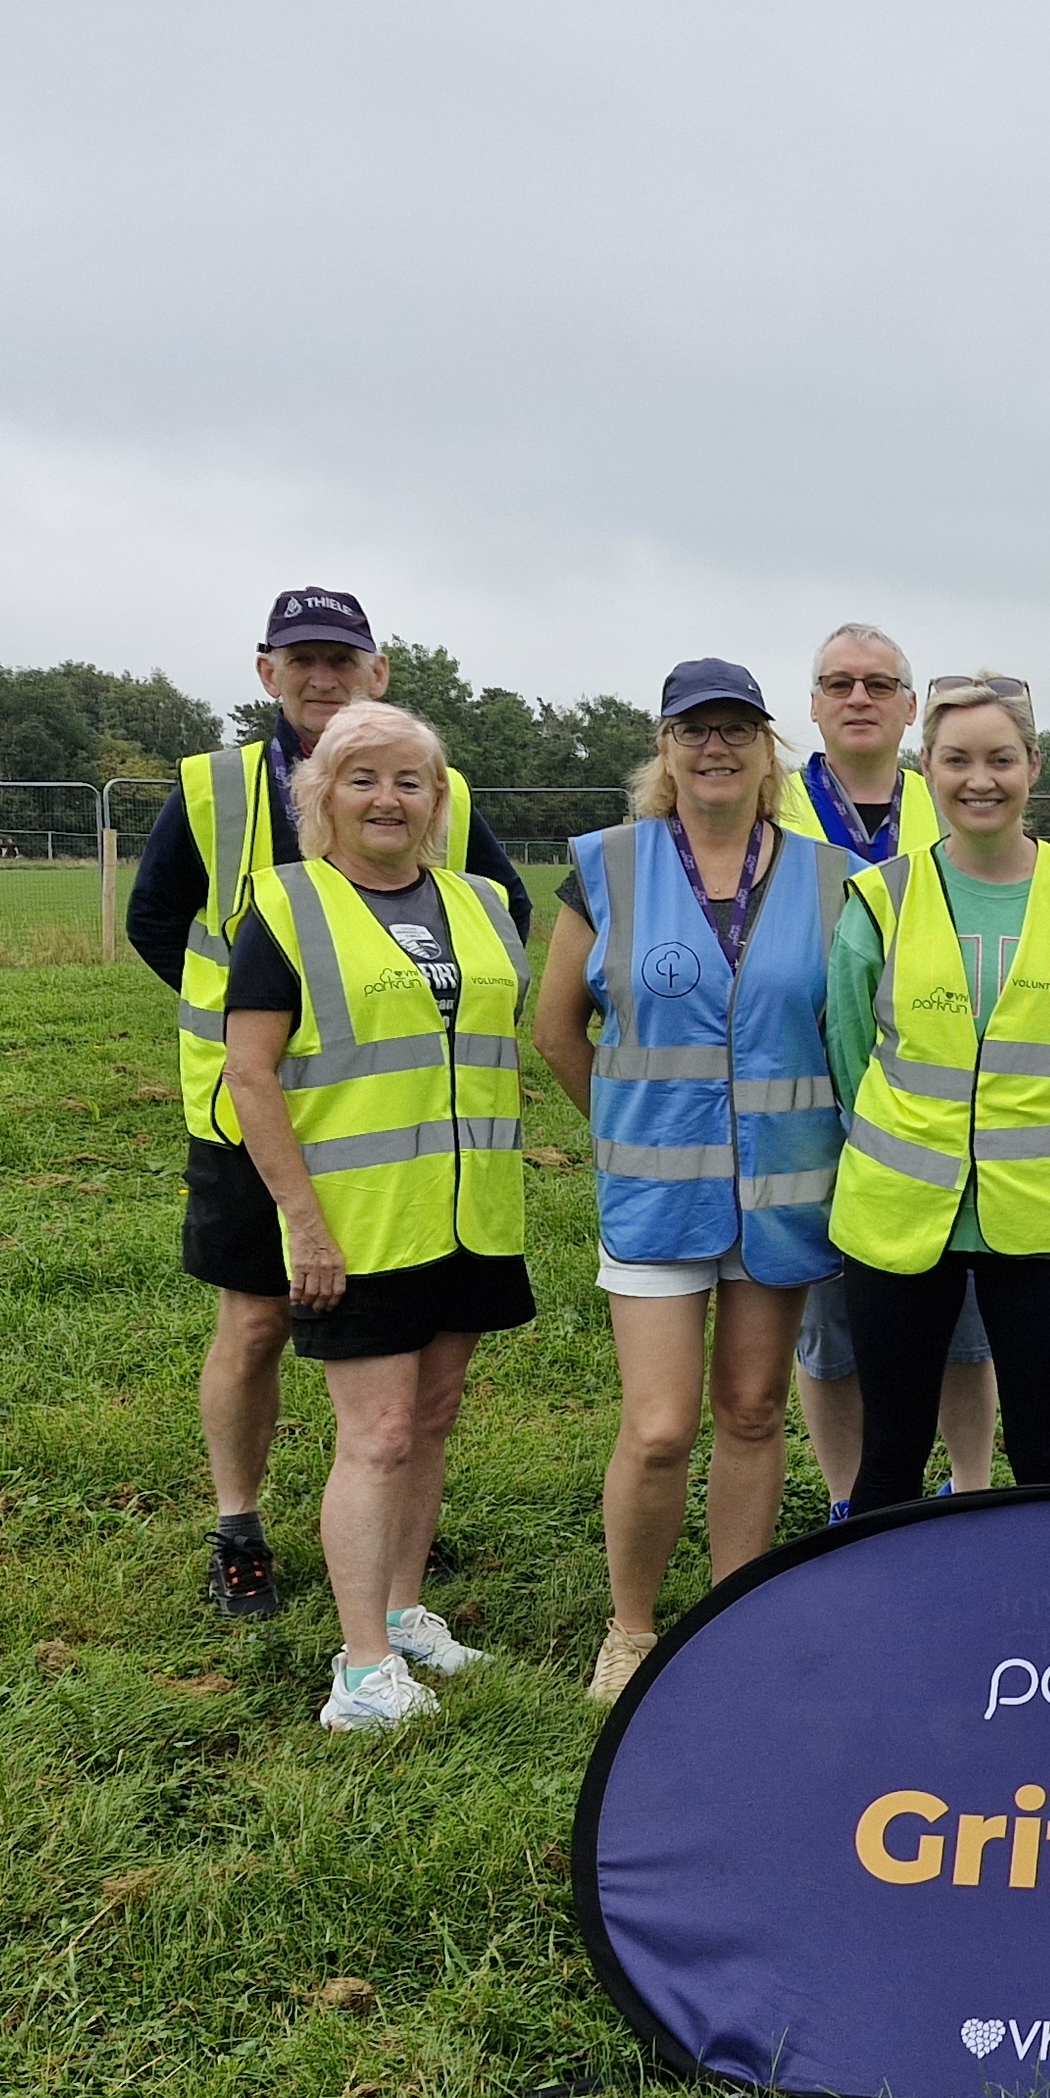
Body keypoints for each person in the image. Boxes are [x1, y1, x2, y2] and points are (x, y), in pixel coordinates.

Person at [126, 587, 530, 1624]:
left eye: (340, 659)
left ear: (376, 670)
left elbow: (499, 916)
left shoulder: (443, 786)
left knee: (401, 1375)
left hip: (391, 1137)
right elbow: (157, 916)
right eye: (301, 659)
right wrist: (271, 1013)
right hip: (245, 1110)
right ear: (267, 671)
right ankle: (240, 1526)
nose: (321, 676)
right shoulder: (214, 787)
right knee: (257, 1319)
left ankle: (385, 1537)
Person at [535, 659, 855, 1703]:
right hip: (657, 1198)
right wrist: (628, 1129)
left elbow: (845, 1033)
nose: (714, 748)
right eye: (692, 731)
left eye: (734, 730)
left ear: (768, 751)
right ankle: (631, 1630)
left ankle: (731, 1617)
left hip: (784, 1193)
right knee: (661, 1426)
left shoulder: (829, 877)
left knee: (755, 1410)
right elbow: (556, 1029)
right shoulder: (607, 866)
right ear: (664, 751)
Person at [213, 706, 531, 1732]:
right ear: (322, 798)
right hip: (355, 1224)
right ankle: (358, 1674)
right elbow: (251, 1074)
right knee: (379, 1435)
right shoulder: (287, 908)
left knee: (430, 1424)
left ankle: (401, 1615)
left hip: (467, 1214)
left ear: (438, 800)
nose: (388, 800)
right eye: (362, 781)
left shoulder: (483, 902)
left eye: (409, 781)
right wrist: (301, 1223)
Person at [829, 672, 1050, 1511]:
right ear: (924, 767)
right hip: (897, 1212)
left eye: (1001, 758)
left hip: (1042, 1216)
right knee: (890, 1453)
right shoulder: (881, 896)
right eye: (957, 759)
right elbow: (851, 1053)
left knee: (1046, 1446)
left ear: (1033, 765)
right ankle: (887, 1622)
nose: (980, 779)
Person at [776, 622, 992, 1514]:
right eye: (838, 684)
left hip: (937, 1101)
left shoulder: (947, 795)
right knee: (831, 1326)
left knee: (965, 1324)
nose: (857, 699)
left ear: (910, 707)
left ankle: (971, 1487)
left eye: (878, 684)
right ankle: (848, 1500)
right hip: (808, 1094)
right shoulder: (769, 801)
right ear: (815, 705)